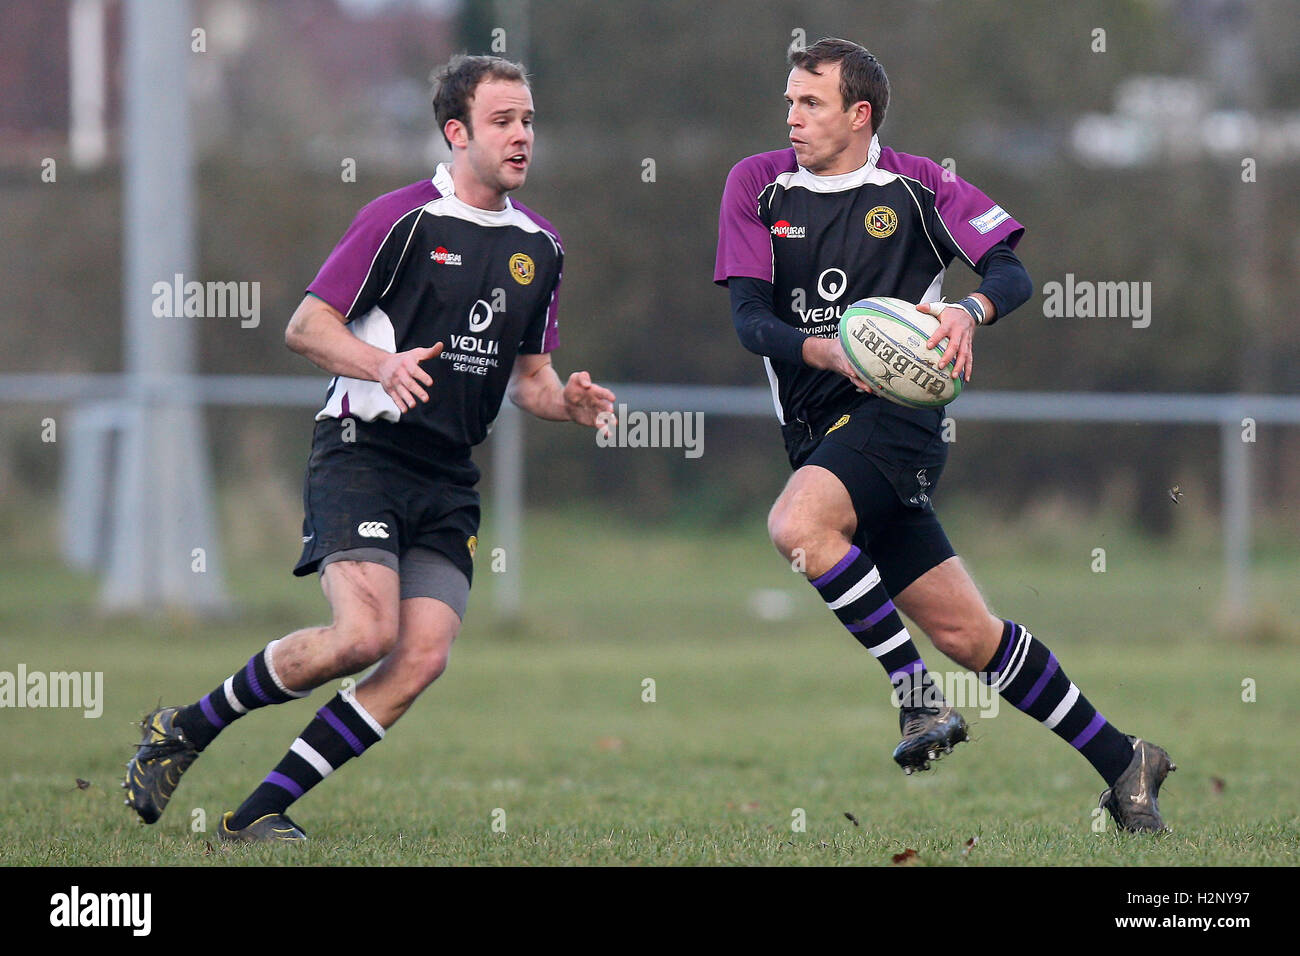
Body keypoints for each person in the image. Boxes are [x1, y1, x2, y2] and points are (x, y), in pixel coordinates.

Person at [124, 54, 616, 842]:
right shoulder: (400, 219)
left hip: (449, 475)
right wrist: (381, 363)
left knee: (421, 658)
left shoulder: (542, 246)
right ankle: (183, 729)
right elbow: (305, 327)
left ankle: (254, 816)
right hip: (363, 453)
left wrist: (570, 402)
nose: (521, 136)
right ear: (457, 132)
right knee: (363, 636)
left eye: (527, 120)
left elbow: (531, 381)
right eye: (502, 121)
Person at [714, 37, 1174, 831]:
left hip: (899, 418)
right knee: (969, 635)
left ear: (859, 115)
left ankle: (916, 700)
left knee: (797, 525)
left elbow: (1011, 272)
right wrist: (819, 347)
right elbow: (752, 320)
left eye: (810, 102)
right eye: (789, 100)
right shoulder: (758, 184)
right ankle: (1125, 763)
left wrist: (968, 309)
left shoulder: (924, 185)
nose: (791, 116)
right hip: (820, 434)